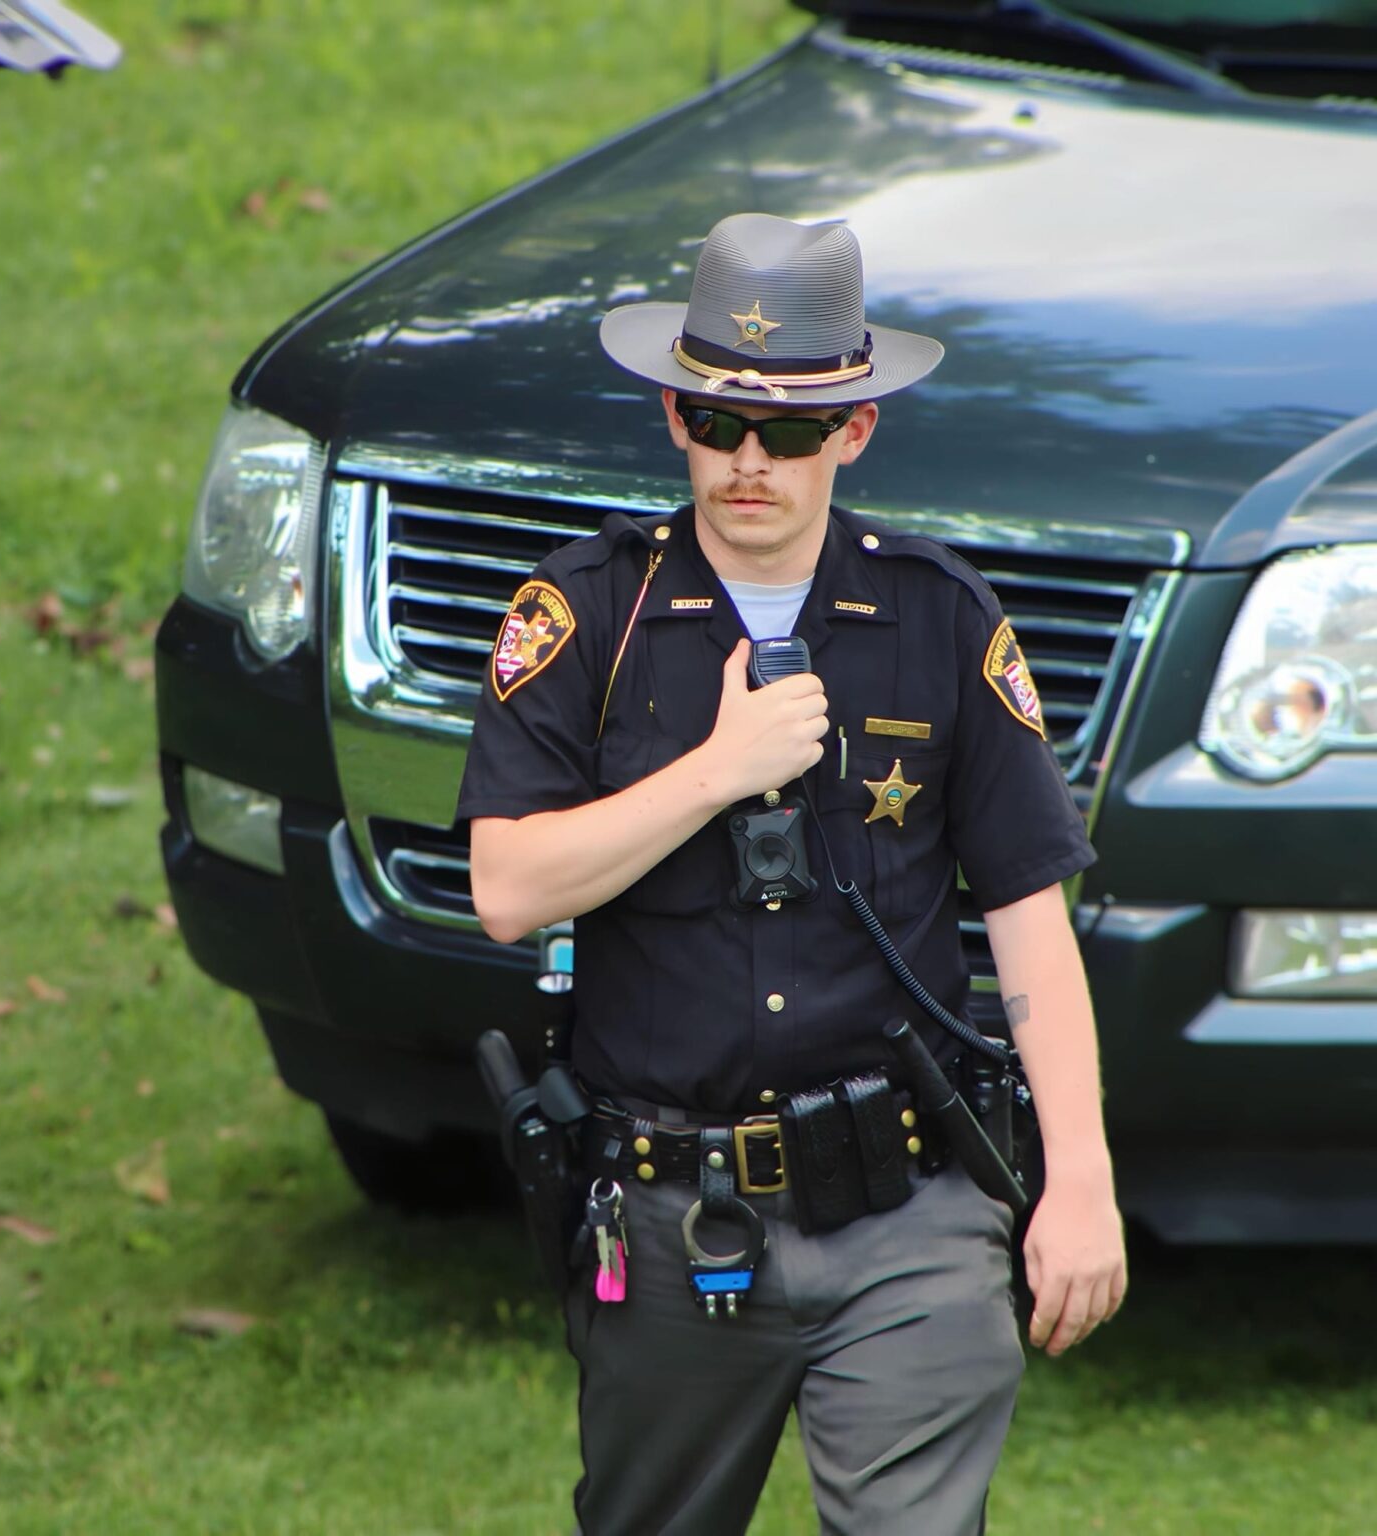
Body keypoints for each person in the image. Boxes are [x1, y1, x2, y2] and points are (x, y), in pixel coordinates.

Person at [457, 212, 1127, 1536]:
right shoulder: (585, 611)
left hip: (908, 1216)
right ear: (674, 416)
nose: (749, 460)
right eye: (718, 422)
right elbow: (507, 889)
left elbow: (1029, 923)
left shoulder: (940, 615)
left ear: (856, 430)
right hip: (667, 1211)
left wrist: (1084, 1178)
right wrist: (715, 770)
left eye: (792, 430)